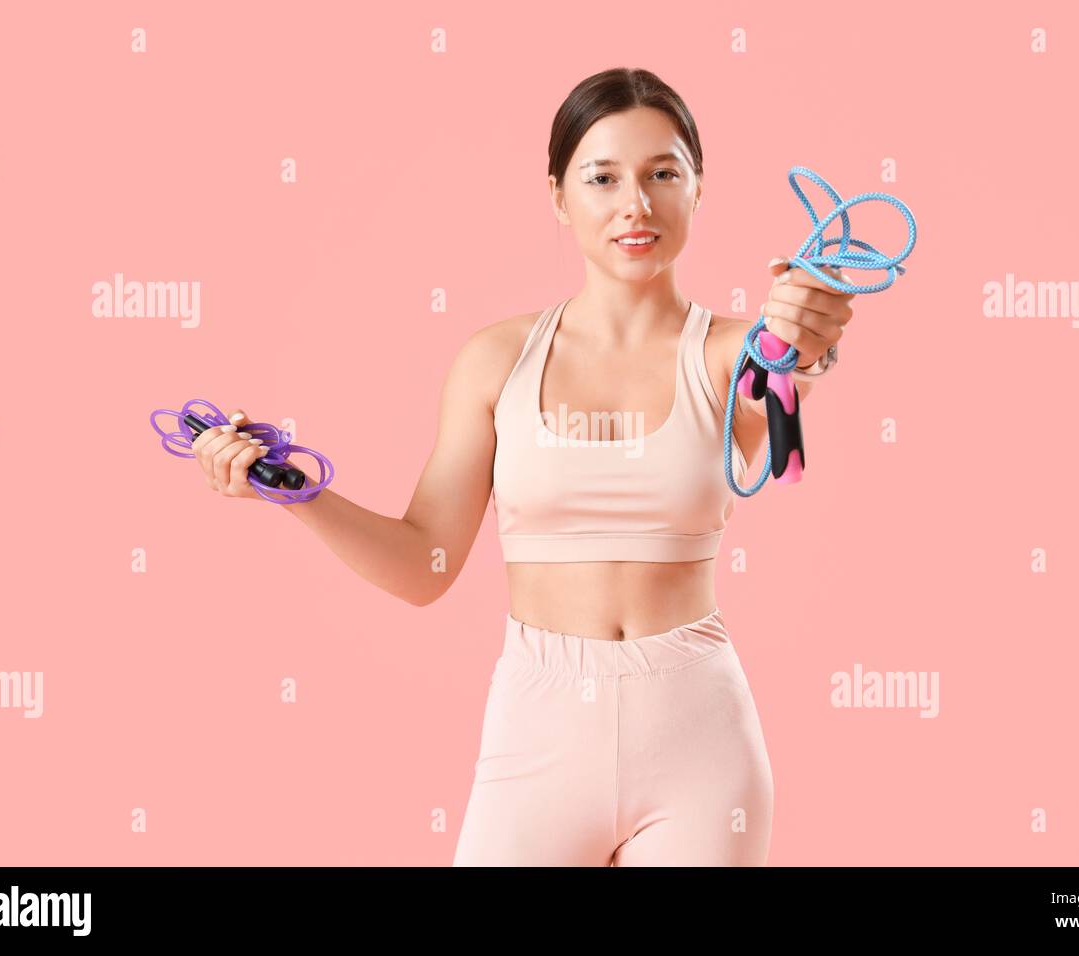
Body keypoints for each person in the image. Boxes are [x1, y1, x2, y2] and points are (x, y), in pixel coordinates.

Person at [191, 67, 855, 866]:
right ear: (557, 194)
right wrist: (295, 493)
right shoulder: (495, 360)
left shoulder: (732, 351)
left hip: (699, 737)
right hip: (537, 733)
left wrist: (811, 336)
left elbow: (787, 370)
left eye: (662, 174)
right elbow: (424, 565)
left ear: (698, 187)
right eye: (602, 177)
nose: (634, 204)